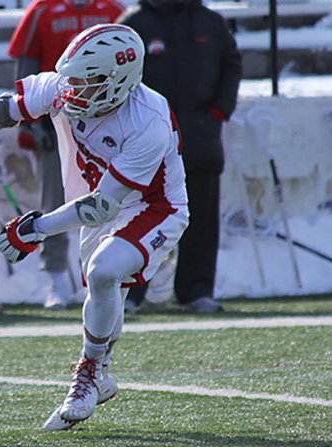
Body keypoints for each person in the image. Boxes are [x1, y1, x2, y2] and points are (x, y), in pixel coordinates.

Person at [0, 24, 188, 430]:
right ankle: (101, 373)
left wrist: (35, 228)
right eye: (71, 79)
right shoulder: (65, 87)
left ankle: (88, 373)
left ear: (116, 83)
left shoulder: (148, 121)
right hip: (96, 201)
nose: (69, 90)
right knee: (107, 286)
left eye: (84, 82)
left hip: (154, 205)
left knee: (104, 271)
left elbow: (104, 205)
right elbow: (6, 109)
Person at [119, 0, 241, 314]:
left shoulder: (211, 22)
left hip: (201, 137)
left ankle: (196, 292)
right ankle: (129, 294)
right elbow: (115, 73)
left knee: (201, 219)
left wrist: (217, 113)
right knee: (139, 216)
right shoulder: (135, 22)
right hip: (146, 142)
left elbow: (232, 64)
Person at [7, 0, 125, 310]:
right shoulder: (42, 10)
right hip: (59, 124)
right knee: (55, 206)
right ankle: (56, 278)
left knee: (115, 203)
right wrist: (34, 124)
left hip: (108, 124)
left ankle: (115, 280)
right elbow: (26, 65)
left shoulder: (114, 9)